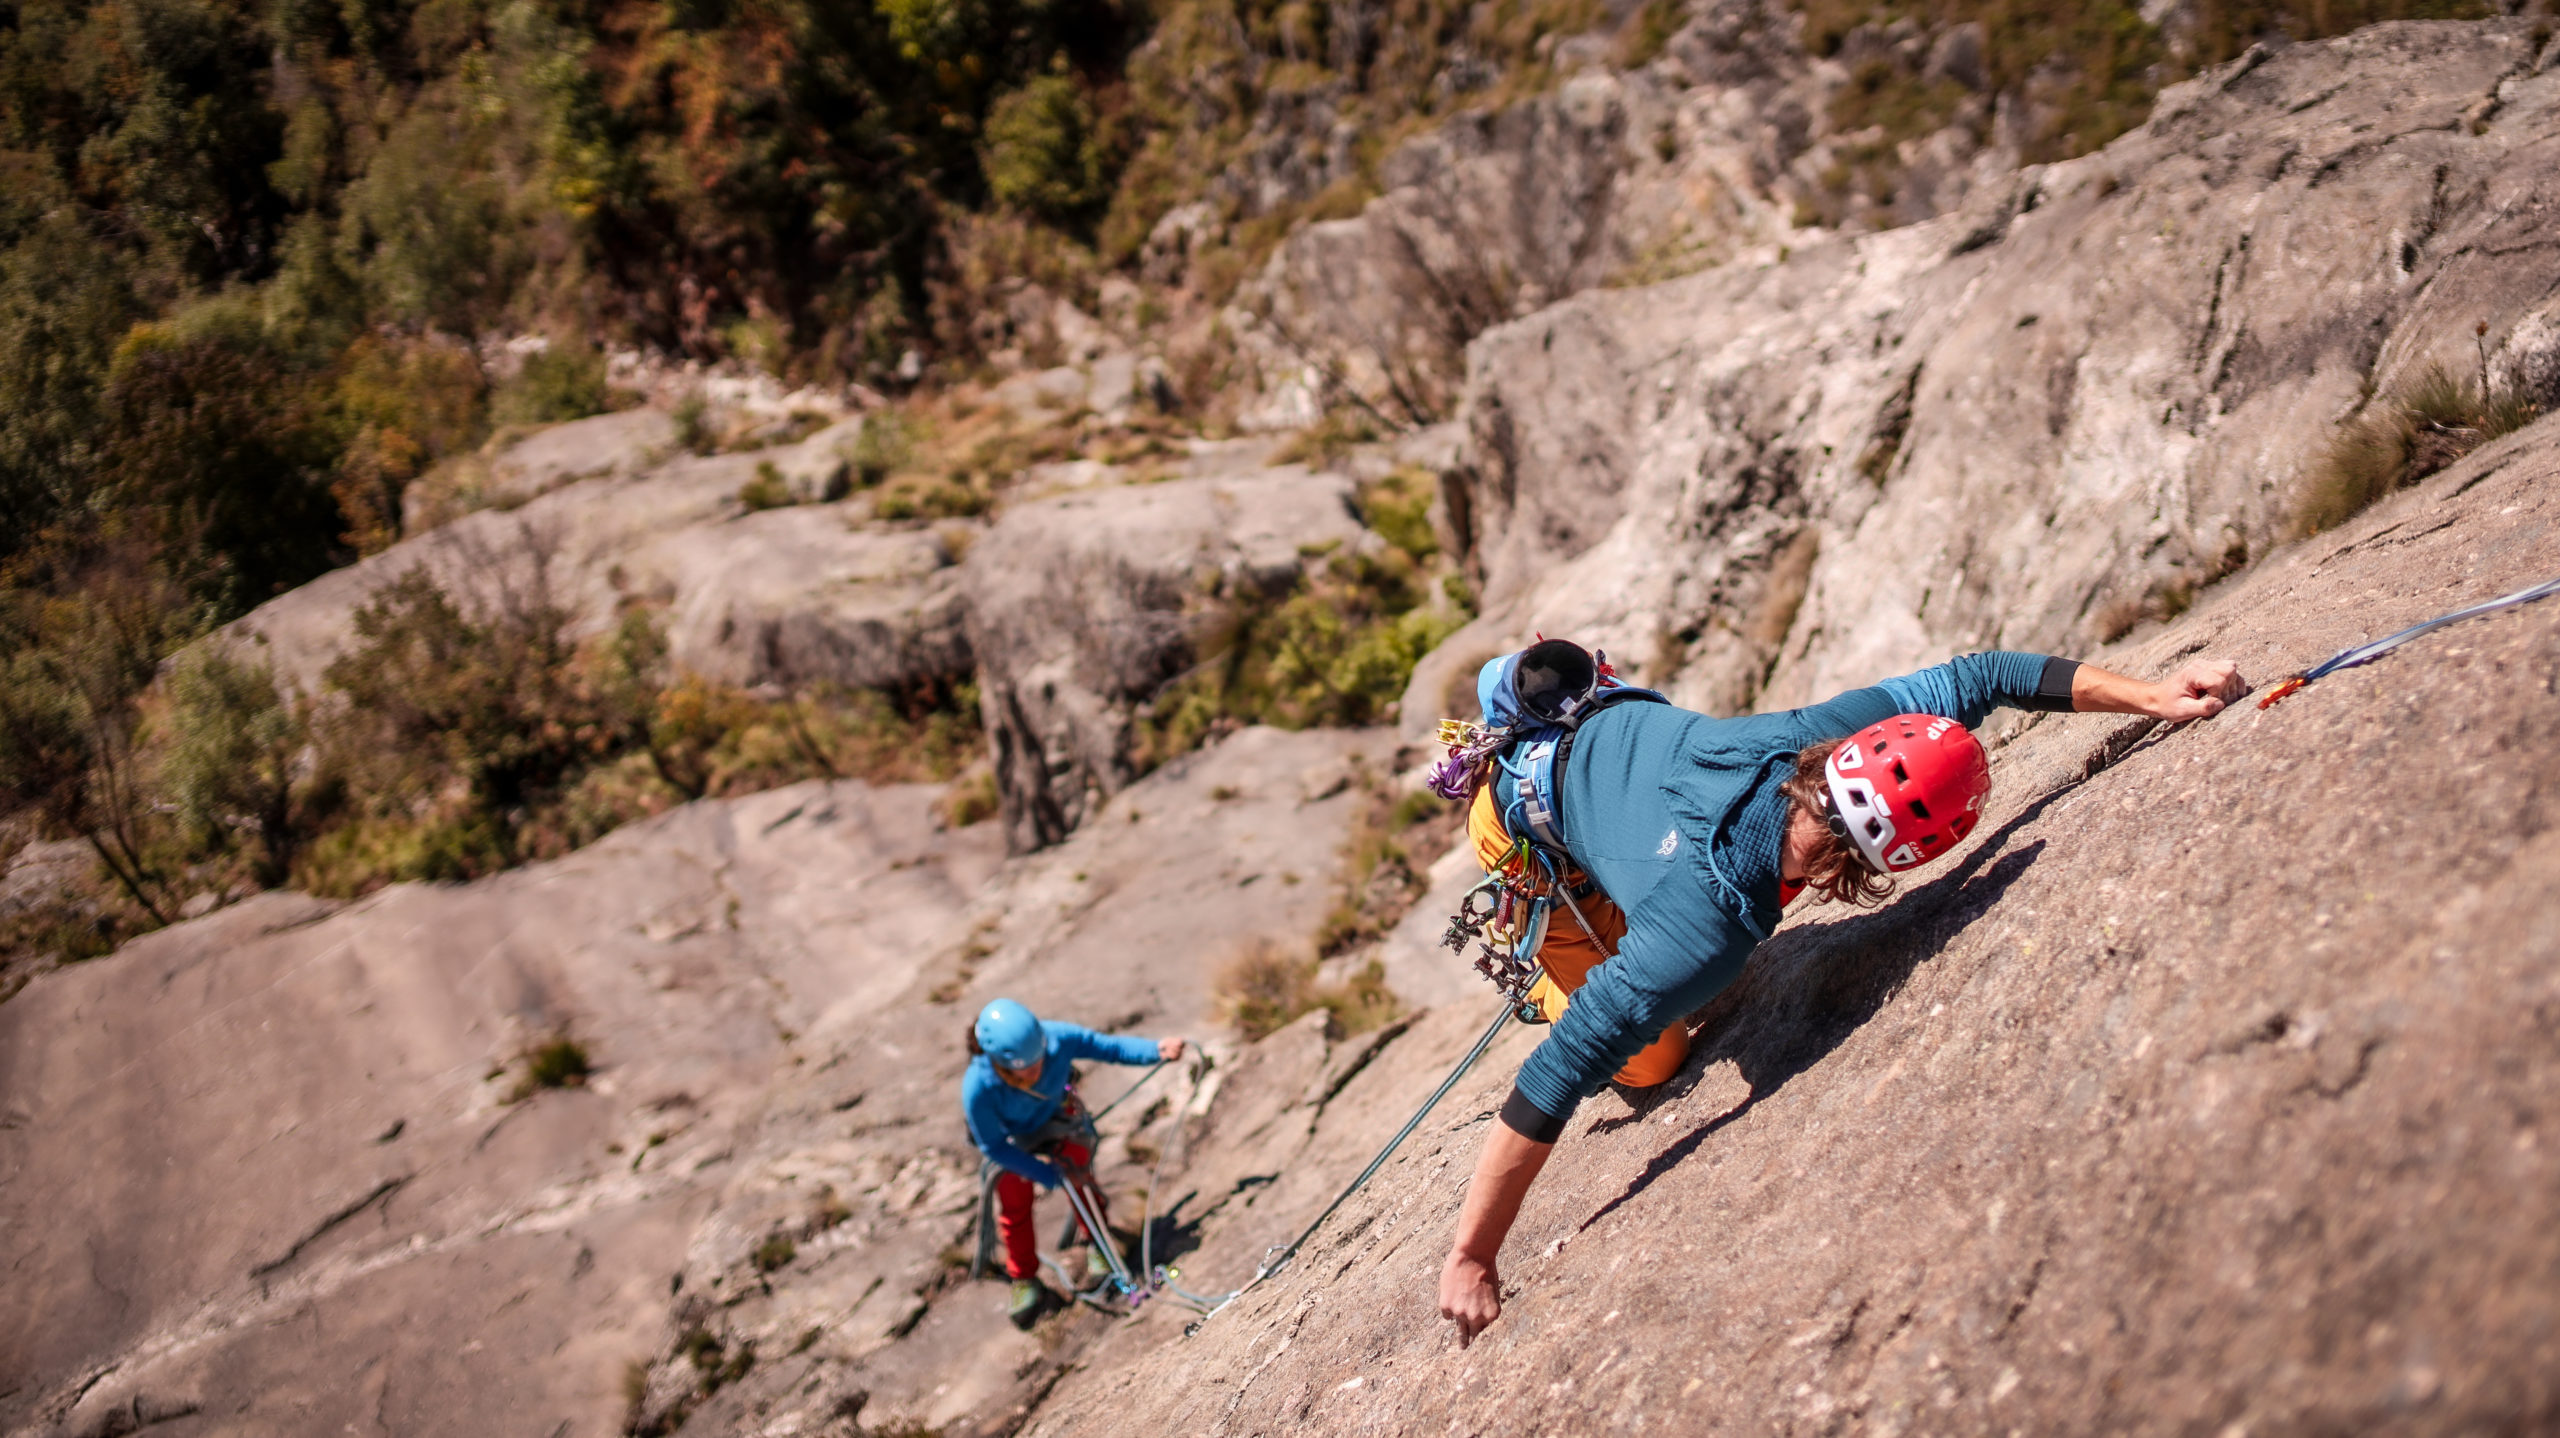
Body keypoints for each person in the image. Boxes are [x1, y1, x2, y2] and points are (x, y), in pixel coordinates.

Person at [1433, 644, 2247, 1343]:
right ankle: (1549, 980)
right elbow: (1555, 1077)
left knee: (1641, 944)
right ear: (1877, 865)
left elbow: (1984, 674)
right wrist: (1471, 1255)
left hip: (1604, 772)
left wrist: (2152, 697)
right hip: (1525, 830)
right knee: (1651, 1063)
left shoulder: (1805, 739)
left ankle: (1606, 914)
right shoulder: (1699, 935)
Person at [962, 997, 1186, 1328]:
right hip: (1013, 1142)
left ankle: (1095, 1240)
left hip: (1059, 1119)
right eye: (1024, 1069)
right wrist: (1045, 1174)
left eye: (1038, 1062)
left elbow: (1107, 1047)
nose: (1036, 1071)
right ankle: (1024, 1277)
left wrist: (1155, 1050)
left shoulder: (1057, 1039)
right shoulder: (978, 1088)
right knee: (1013, 1203)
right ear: (997, 1063)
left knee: (1080, 1175)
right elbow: (992, 1145)